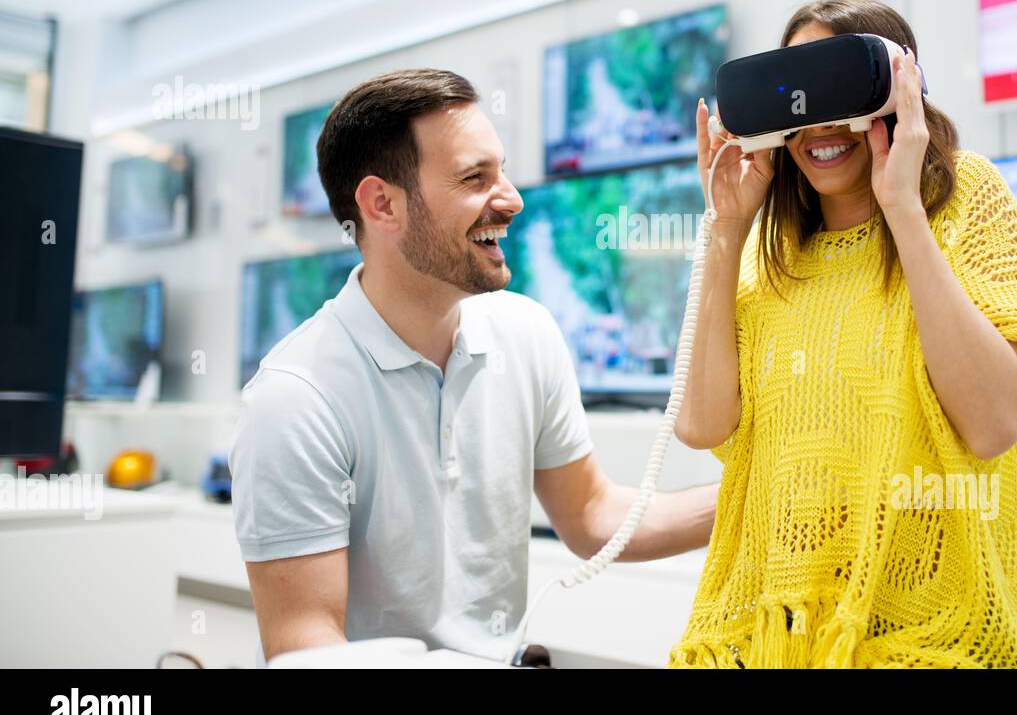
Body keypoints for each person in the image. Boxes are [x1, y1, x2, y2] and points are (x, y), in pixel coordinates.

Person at [229, 68, 718, 666]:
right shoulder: (295, 398)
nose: (511, 198)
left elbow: (593, 515)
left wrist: (769, 496)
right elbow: (306, 650)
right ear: (382, 204)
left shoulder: (527, 332)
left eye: (502, 170)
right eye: (474, 177)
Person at [669, 0, 1017, 668]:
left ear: (898, 86)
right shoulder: (772, 250)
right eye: (797, 94)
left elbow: (993, 421)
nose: (820, 122)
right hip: (777, 640)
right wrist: (727, 229)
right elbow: (704, 423)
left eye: (839, 86)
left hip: (930, 641)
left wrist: (901, 203)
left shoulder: (967, 196)